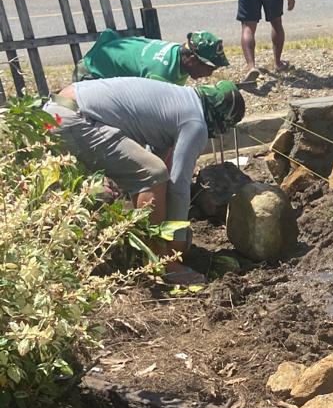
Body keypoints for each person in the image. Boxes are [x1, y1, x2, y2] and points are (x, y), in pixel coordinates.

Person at [46, 77, 245, 285]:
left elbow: (160, 168)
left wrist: (170, 227)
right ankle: (163, 267)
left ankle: (143, 248)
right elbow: (177, 186)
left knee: (148, 171)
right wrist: (175, 247)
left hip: (57, 108)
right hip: (74, 119)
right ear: (221, 118)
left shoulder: (182, 99)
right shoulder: (196, 122)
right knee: (152, 174)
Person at [74, 28, 229, 84]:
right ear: (193, 59)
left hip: (106, 54)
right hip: (93, 72)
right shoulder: (160, 74)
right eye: (209, 67)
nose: (210, 72)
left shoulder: (177, 53)